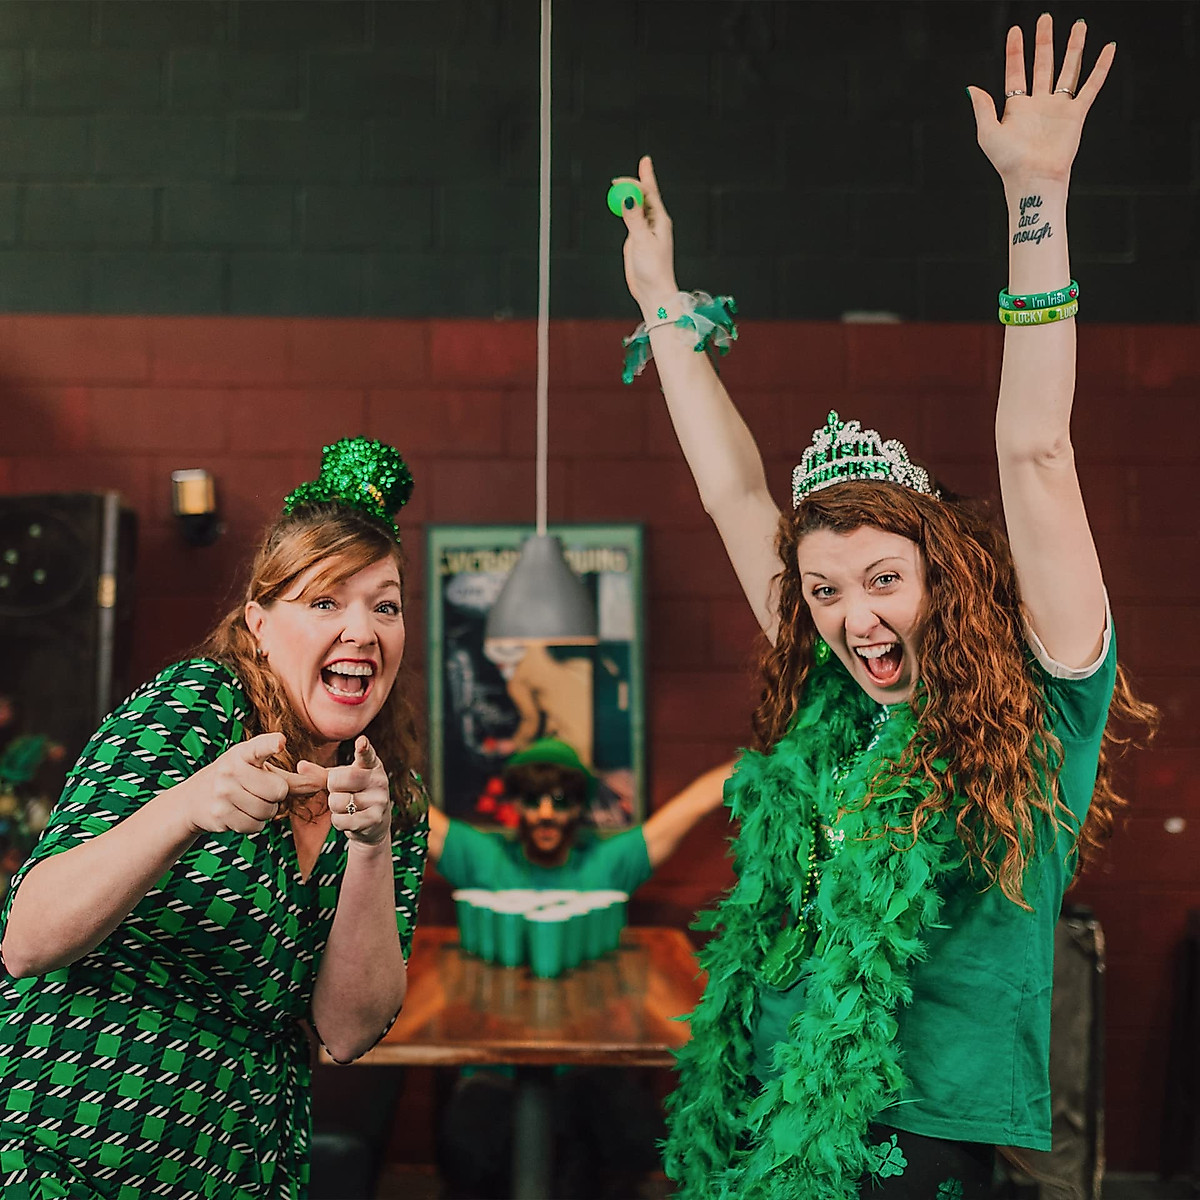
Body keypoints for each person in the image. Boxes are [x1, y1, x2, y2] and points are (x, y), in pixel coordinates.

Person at [615, 15, 1157, 1200]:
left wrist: (1036, 198)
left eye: (882, 582)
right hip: (768, 1105)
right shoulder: (830, 687)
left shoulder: (1045, 693)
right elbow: (733, 488)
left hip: (916, 1143)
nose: (854, 618)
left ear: (940, 580)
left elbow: (1037, 450)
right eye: (822, 591)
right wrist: (662, 306)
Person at [0, 437, 429, 1199]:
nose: (362, 630)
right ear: (259, 625)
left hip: (234, 1165)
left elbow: (347, 1032)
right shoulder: (196, 708)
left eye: (385, 605)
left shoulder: (388, 793)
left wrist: (369, 849)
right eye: (326, 600)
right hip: (65, 1151)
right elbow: (27, 942)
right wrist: (184, 807)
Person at [428, 737, 732, 1200]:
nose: (547, 814)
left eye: (562, 800)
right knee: (466, 1151)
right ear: (515, 805)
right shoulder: (485, 860)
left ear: (579, 807)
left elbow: (696, 801)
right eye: (533, 800)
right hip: (495, 1067)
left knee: (627, 1140)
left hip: (590, 1063)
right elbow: (409, 808)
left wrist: (782, 756)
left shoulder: (606, 864)